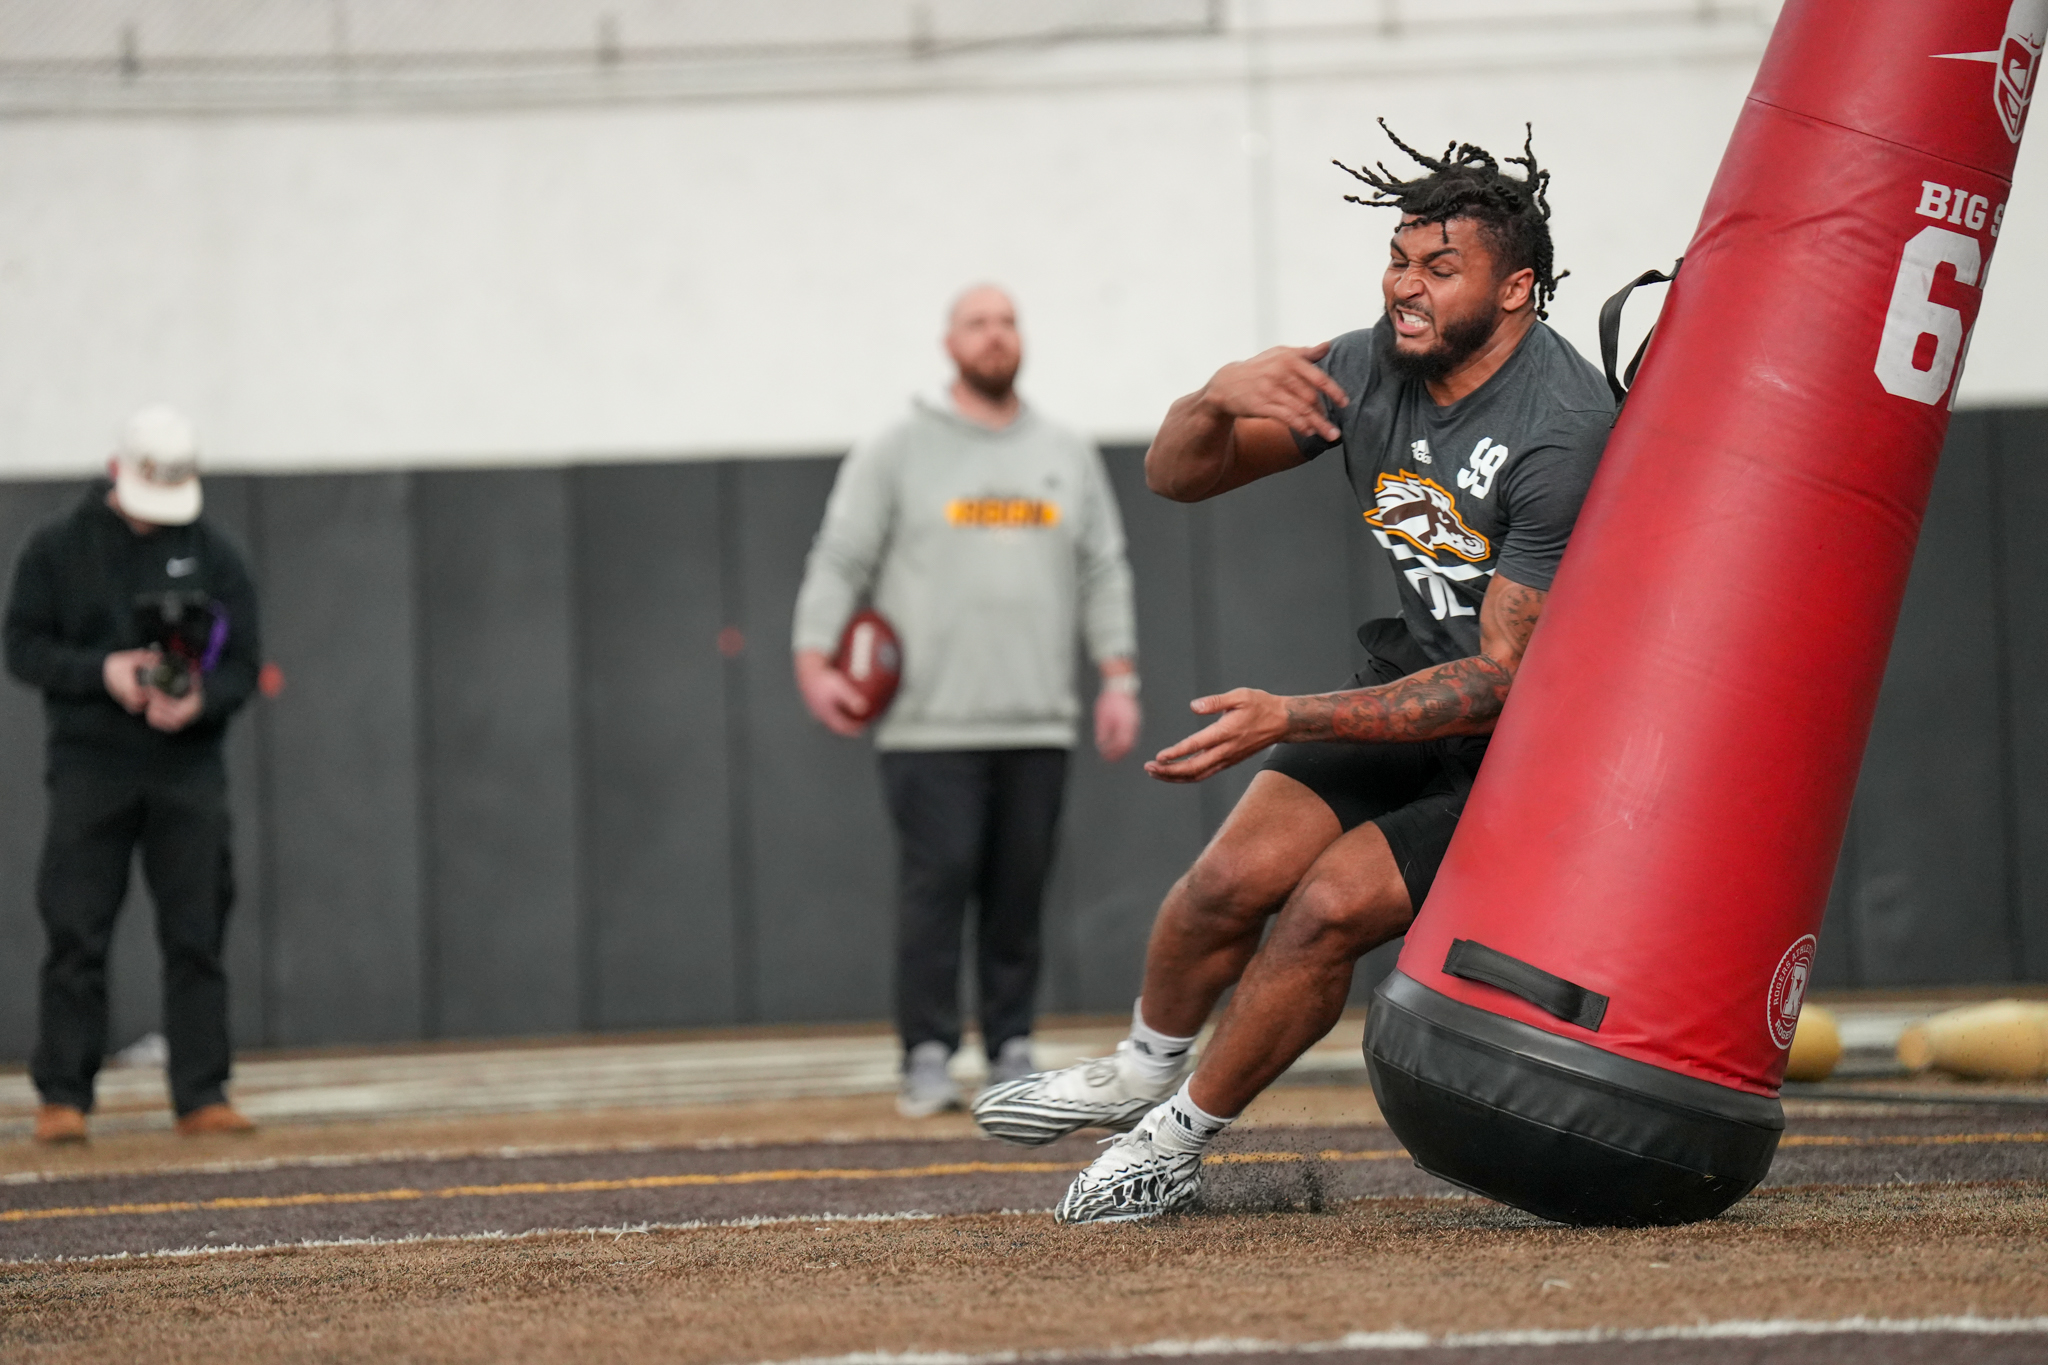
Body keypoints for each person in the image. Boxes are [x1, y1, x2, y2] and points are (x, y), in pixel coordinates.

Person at [972, 125, 1615, 1220]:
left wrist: (1292, 713)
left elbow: (1502, 680)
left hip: (1535, 742)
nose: (1402, 288)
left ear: (1517, 291)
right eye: (1397, 259)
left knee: (1321, 910)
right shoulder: (1370, 361)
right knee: (1225, 881)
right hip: (1414, 685)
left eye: (1435, 268)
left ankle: (1172, 1141)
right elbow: (1180, 478)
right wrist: (1213, 397)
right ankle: (1139, 1068)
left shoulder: (1560, 430)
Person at [792, 285, 1143, 1118]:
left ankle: (1011, 1045)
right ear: (950, 342)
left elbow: (1104, 567)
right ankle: (925, 1052)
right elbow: (840, 557)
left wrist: (1118, 676)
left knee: (1019, 889)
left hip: (1037, 717)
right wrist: (815, 661)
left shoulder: (1064, 449)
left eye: (1008, 321)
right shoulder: (898, 449)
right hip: (929, 724)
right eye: (978, 323)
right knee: (937, 886)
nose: (996, 335)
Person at [4, 405, 262, 1144]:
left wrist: (200, 700)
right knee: (76, 929)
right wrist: (103, 671)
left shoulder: (216, 555)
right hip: (91, 766)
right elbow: (20, 646)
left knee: (197, 931)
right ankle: (63, 1095)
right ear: (118, 470)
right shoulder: (55, 549)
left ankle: (202, 1091)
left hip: (187, 768)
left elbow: (245, 661)